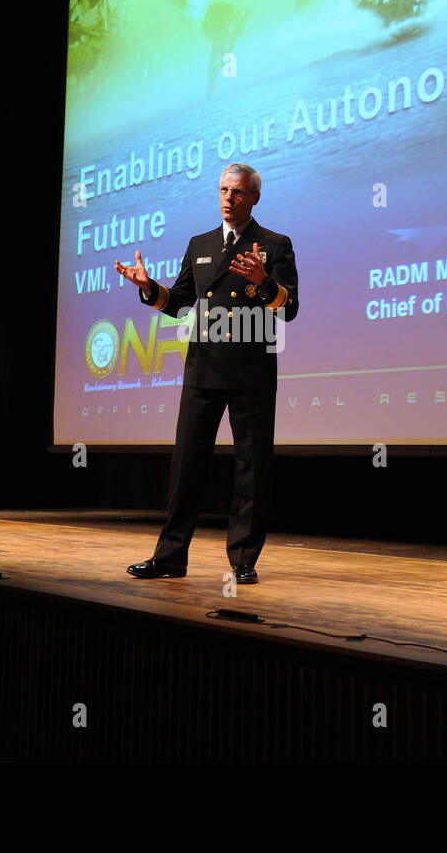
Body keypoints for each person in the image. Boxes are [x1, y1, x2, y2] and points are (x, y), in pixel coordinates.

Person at [115, 163, 299, 584]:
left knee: (251, 469)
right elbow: (179, 304)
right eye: (223, 190)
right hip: (203, 367)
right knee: (186, 466)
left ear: (254, 197)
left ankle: (243, 561)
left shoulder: (274, 244)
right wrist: (148, 287)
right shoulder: (199, 243)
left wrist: (264, 283)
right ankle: (170, 557)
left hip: (250, 370)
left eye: (237, 192)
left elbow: (289, 309)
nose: (228, 198)